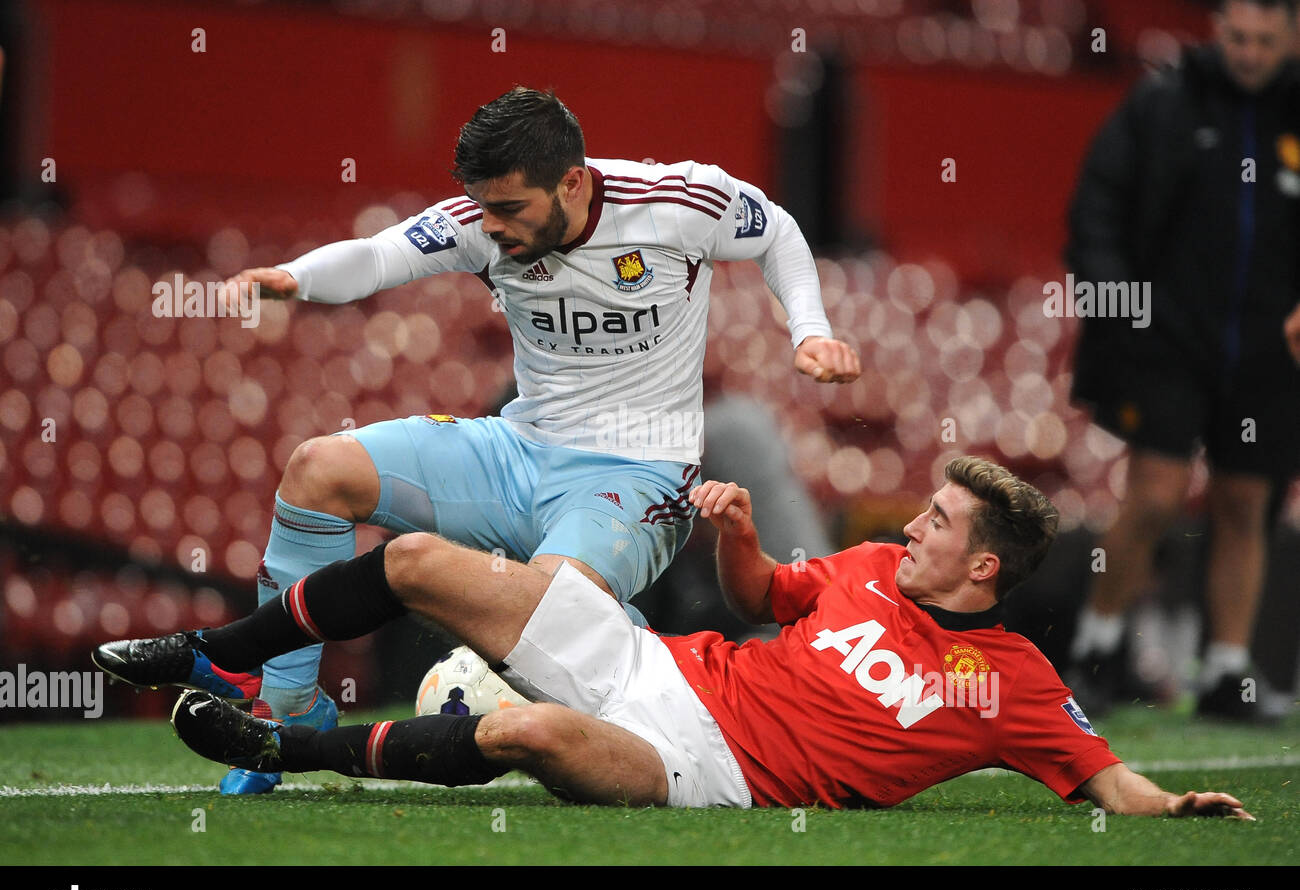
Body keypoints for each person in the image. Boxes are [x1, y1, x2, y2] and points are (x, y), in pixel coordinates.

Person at [206, 86, 861, 792]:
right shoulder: (480, 220)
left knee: (548, 611)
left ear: (573, 182)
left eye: (510, 209)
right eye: (482, 206)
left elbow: (778, 232)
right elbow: (376, 257)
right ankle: (289, 708)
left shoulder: (677, 201)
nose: (489, 226)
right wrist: (294, 278)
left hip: (637, 474)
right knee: (318, 469)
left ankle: (649, 704)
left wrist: (810, 330)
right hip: (519, 451)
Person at [94, 456, 1251, 818]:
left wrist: (1174, 805)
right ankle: (217, 648)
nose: (910, 523)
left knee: (525, 730)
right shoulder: (857, 569)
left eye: (936, 521)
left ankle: (282, 752)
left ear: (983, 566)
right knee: (406, 559)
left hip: (713, 775)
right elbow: (757, 598)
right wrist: (738, 536)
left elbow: (1103, 776)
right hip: (658, 664)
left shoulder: (1013, 681)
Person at [1065, 0, 1300, 720]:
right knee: (1157, 495)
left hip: (1268, 347)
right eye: (1237, 36)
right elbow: (1098, 202)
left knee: (1245, 501)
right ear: (1216, 27)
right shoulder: (1166, 99)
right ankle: (1097, 647)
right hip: (1167, 338)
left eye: (1265, 39)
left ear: (1291, 33)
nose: (1249, 52)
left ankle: (1228, 670)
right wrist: (1116, 301)